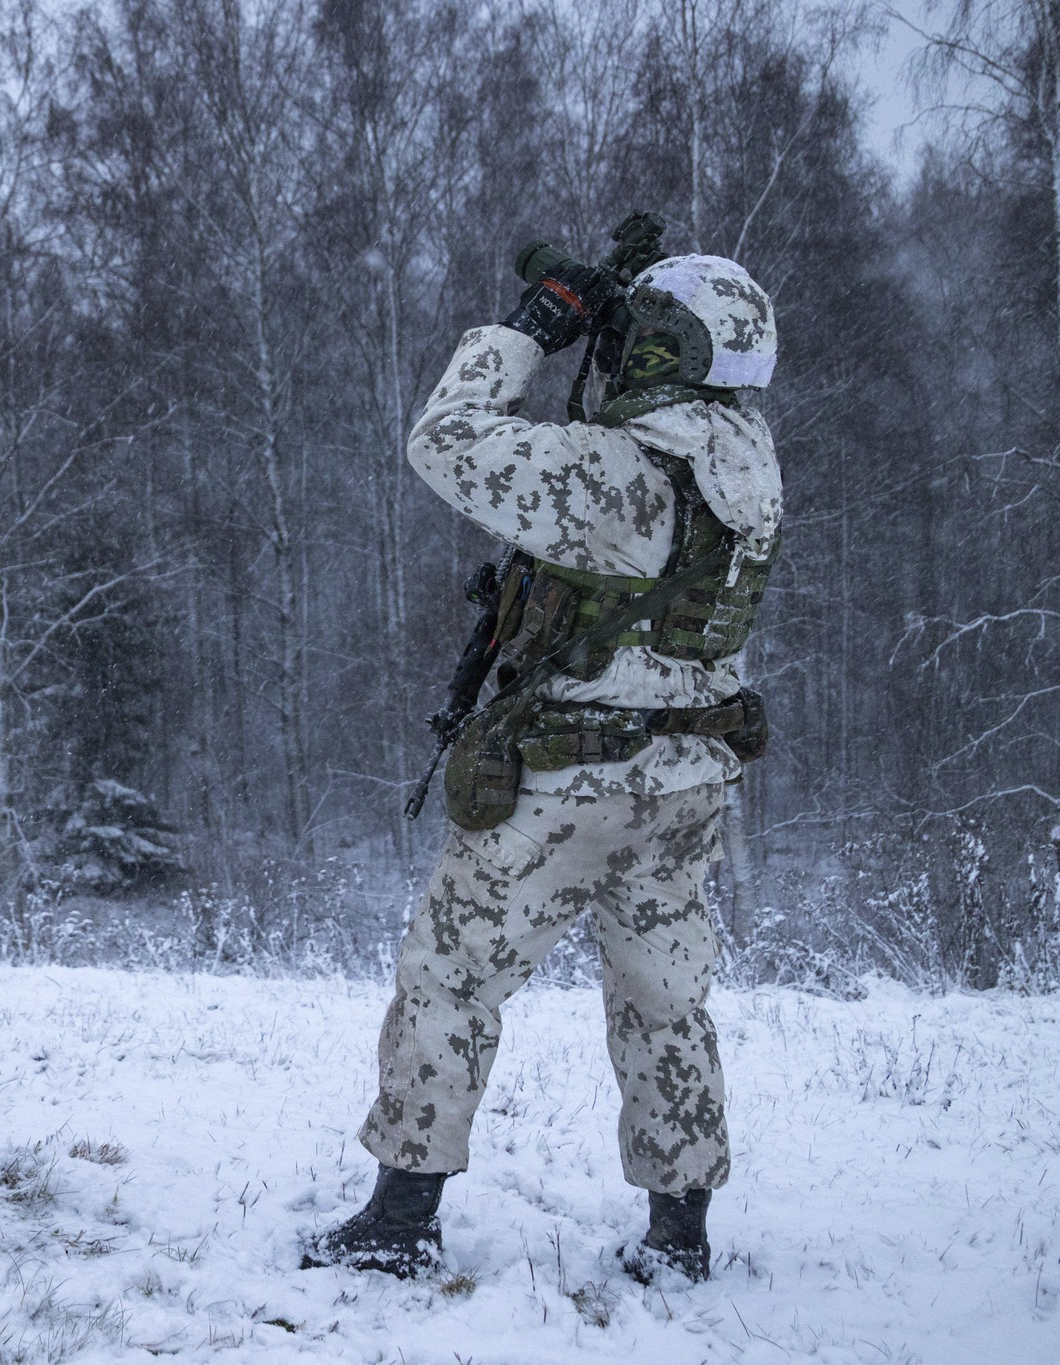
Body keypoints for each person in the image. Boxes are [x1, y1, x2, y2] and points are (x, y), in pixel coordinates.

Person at [304, 243, 783, 1284]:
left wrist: (528, 329)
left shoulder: (614, 473)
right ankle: (678, 1233)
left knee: (449, 979)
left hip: (569, 787)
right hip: (688, 783)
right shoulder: (748, 462)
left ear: (657, 347)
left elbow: (444, 440)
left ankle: (395, 1221)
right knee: (665, 1000)